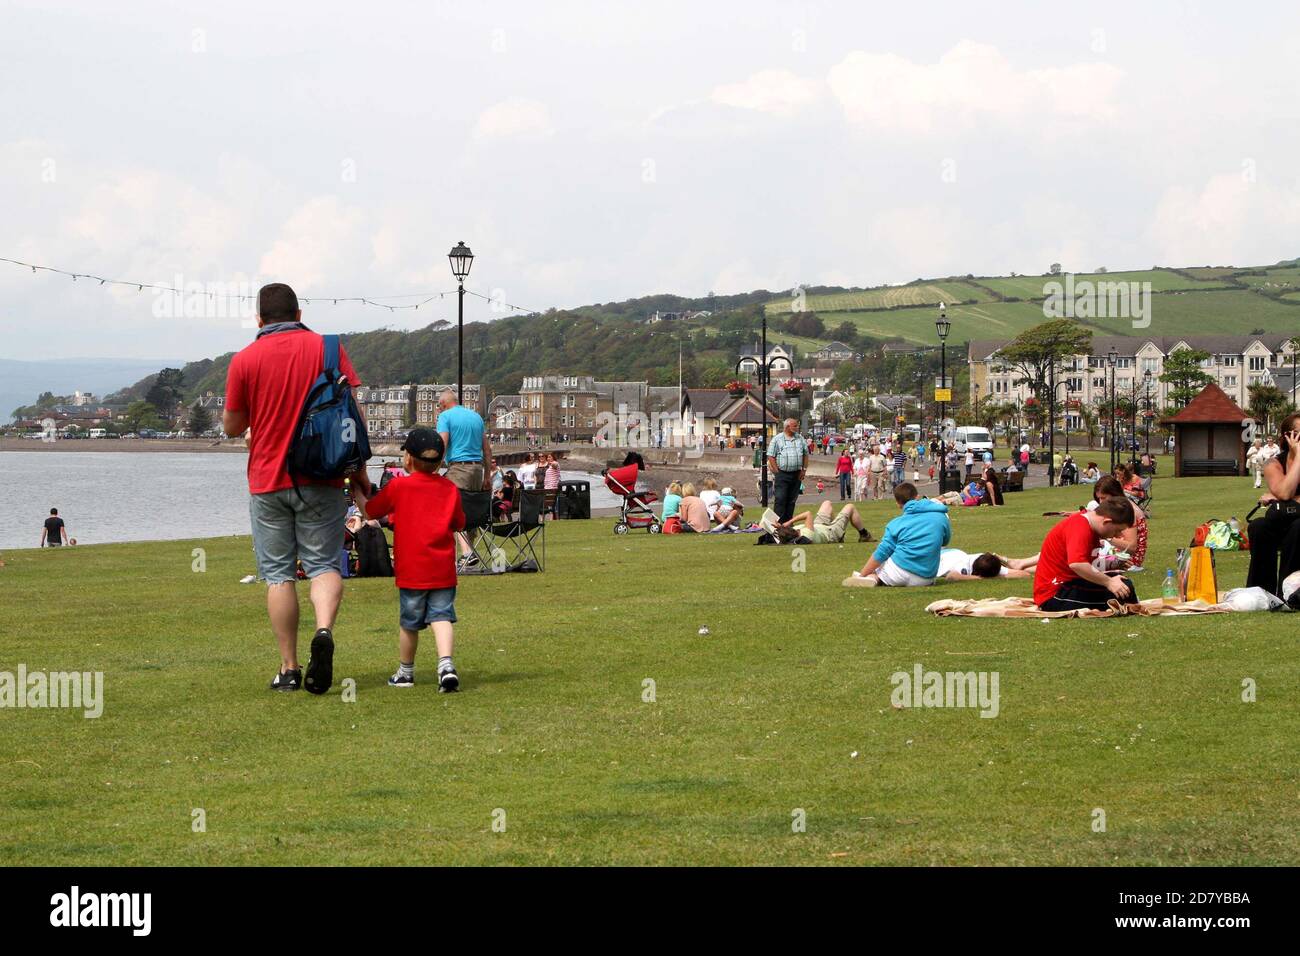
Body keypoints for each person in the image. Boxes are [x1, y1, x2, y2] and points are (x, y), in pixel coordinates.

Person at [223, 282, 371, 694]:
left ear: (259, 319)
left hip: (268, 479)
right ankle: (323, 630)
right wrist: (359, 473)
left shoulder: (244, 360)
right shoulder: (328, 349)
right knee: (324, 565)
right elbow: (352, 415)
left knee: (278, 575)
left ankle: (288, 668)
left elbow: (233, 426)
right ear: (300, 315)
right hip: (321, 475)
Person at [362, 429, 464, 692]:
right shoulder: (449, 488)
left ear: (407, 458)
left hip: (412, 570)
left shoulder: (398, 486)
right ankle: (446, 665)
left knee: (410, 623)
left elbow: (372, 510)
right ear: (440, 462)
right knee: (442, 617)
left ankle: (406, 672)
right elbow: (459, 522)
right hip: (442, 568)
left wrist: (358, 495)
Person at [1033, 497, 1138, 611]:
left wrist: (1113, 564)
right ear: (1106, 521)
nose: (1117, 535)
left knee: (1123, 585)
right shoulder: (1080, 526)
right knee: (1123, 590)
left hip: (1068, 584)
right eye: (1117, 530)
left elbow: (1088, 563)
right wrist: (1109, 582)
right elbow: (1077, 564)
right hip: (1055, 594)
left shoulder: (1088, 526)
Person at [844, 483, 951, 587]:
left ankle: (873, 578)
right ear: (917, 497)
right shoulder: (941, 517)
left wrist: (862, 574)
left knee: (880, 566)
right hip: (926, 577)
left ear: (898, 503)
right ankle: (874, 577)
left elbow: (882, 552)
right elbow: (945, 541)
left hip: (898, 572)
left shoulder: (896, 524)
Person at [435, 388, 493, 564]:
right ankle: (468, 554)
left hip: (459, 469)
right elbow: (487, 449)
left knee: (453, 510)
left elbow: (442, 445)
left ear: (443, 404)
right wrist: (487, 476)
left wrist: (435, 470)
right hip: (477, 469)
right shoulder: (476, 417)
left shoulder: (445, 417)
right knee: (471, 511)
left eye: (439, 406)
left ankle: (467, 553)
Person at [1246, 413, 1300, 597]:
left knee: (1298, 528)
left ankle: (1289, 592)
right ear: (1288, 436)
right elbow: (1286, 491)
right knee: (1258, 526)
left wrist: (1280, 497)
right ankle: (1260, 592)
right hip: (1282, 519)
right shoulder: (1274, 463)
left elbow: (1283, 494)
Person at [1088, 475, 1147, 570]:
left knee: (1088, 559)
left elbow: (1131, 547)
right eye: (1099, 498)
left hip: (1127, 559)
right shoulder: (1119, 507)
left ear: (1115, 494)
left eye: (1103, 498)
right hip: (1115, 553)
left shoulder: (1127, 511)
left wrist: (1107, 538)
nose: (1101, 502)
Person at [758, 501, 872, 544]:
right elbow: (808, 514)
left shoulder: (795, 535)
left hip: (819, 526)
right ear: (792, 530)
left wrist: (780, 527)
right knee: (850, 506)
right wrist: (788, 522)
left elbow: (782, 534)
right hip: (830, 532)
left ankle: (840, 532)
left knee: (827, 504)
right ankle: (864, 534)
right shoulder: (806, 535)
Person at [766, 418, 807, 523]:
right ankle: (778, 524)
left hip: (796, 474)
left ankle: (788, 524)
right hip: (782, 474)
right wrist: (776, 471)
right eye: (795, 426)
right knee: (780, 499)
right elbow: (771, 456)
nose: (797, 428)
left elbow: (805, 454)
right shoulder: (777, 439)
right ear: (787, 427)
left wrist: (804, 470)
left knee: (792, 500)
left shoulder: (800, 438)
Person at [938, 549, 1038, 581]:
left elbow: (1024, 574)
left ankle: (1014, 561)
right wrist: (980, 578)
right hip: (941, 555)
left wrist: (999, 576)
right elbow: (951, 576)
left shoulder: (988, 562)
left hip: (955, 552)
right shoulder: (961, 566)